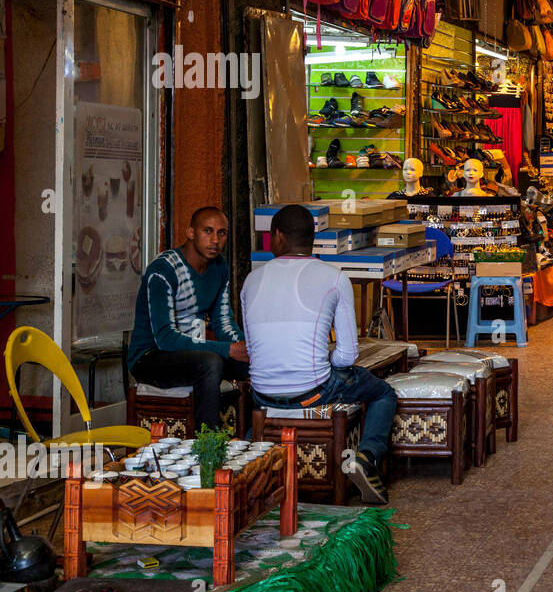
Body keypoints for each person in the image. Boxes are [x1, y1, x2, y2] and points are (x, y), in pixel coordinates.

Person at [240, 205, 396, 505]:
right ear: (313, 239)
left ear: (277, 236)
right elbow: (347, 356)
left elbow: (253, 348)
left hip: (261, 395)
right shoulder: (334, 277)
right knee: (383, 393)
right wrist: (322, 361)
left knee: (276, 395)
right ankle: (365, 457)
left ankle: (249, 455)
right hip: (314, 393)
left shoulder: (251, 281)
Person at [127, 207, 248, 431]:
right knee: (211, 363)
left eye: (221, 233)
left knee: (253, 363)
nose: (215, 240)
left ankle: (252, 437)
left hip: (194, 355)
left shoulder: (219, 267)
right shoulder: (163, 270)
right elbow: (165, 338)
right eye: (207, 231)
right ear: (190, 232)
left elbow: (223, 321)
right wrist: (228, 349)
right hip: (151, 358)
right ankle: (207, 447)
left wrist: (244, 348)